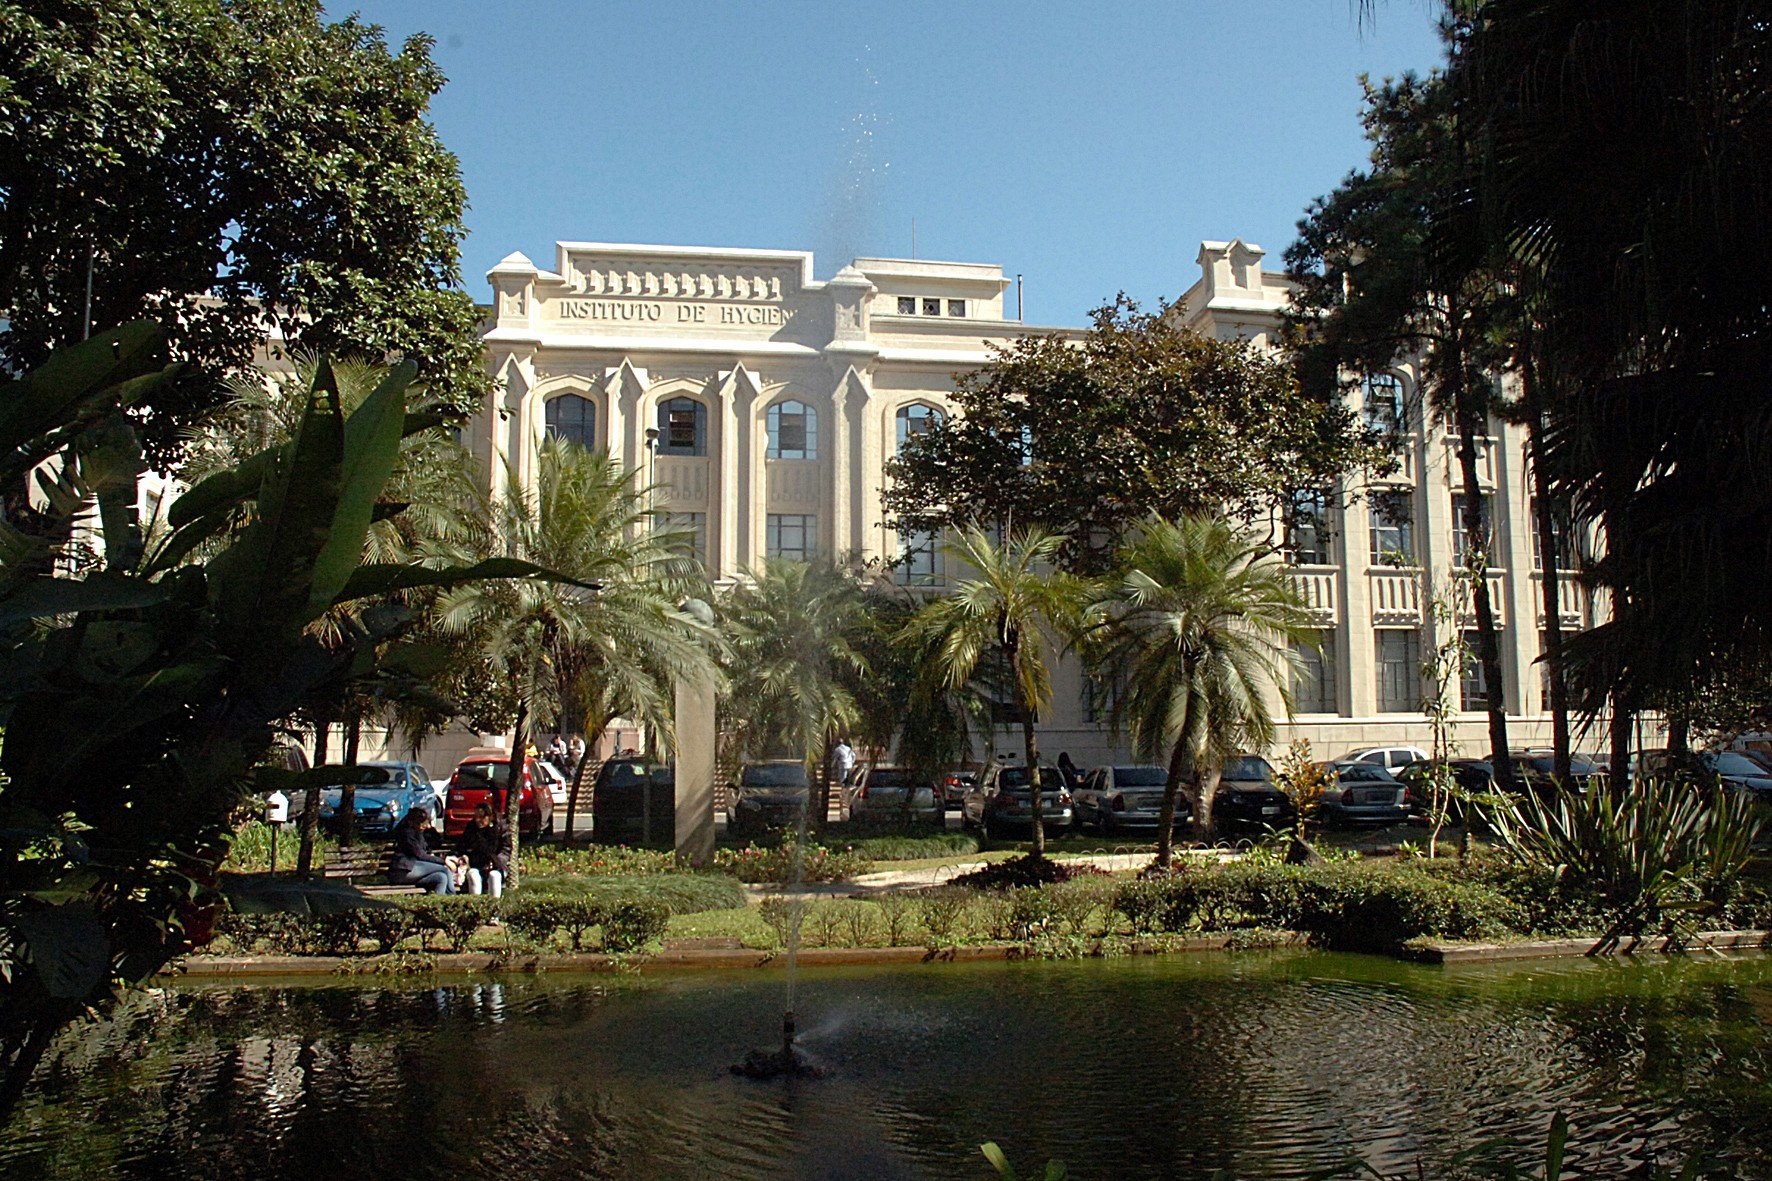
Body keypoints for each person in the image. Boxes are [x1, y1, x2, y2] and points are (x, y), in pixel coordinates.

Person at [389, 807, 456, 894]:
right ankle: (453, 897)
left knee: (441, 877)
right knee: (445, 869)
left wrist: (430, 829)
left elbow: (435, 842)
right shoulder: (407, 834)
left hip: (415, 870)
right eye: (420, 823)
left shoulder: (419, 833)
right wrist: (444, 861)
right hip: (403, 871)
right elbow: (420, 855)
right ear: (412, 822)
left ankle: (438, 903)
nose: (422, 826)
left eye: (424, 823)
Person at [459, 802, 509, 897]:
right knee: (473, 875)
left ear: (490, 817)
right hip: (476, 864)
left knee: (494, 876)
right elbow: (462, 847)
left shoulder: (498, 828)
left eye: (482, 817)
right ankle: (476, 905)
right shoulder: (471, 828)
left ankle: (494, 905)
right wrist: (465, 858)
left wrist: (496, 861)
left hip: (495, 865)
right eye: (476, 817)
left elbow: (506, 849)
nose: (478, 820)